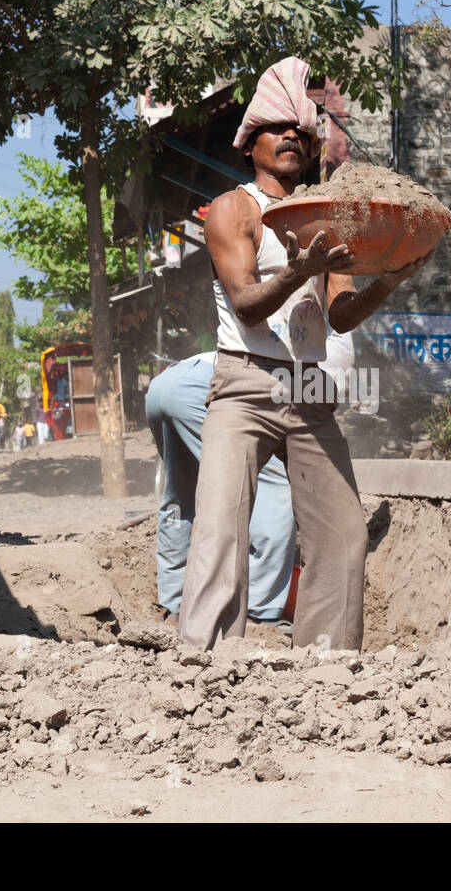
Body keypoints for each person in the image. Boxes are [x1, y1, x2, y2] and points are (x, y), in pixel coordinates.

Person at [179, 56, 432, 651]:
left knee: (343, 532)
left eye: (302, 129)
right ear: (251, 143)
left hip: (310, 392)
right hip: (244, 385)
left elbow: (340, 315)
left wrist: (389, 280)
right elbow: (246, 303)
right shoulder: (233, 209)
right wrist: (302, 268)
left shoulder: (325, 215)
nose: (292, 136)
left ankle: (327, 664)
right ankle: (202, 662)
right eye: (277, 128)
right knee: (220, 528)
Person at [148, 332, 355, 631]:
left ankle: (177, 606)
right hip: (207, 387)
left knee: (184, 496)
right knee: (277, 488)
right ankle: (261, 613)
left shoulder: (290, 347)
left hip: (167, 385)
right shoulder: (326, 361)